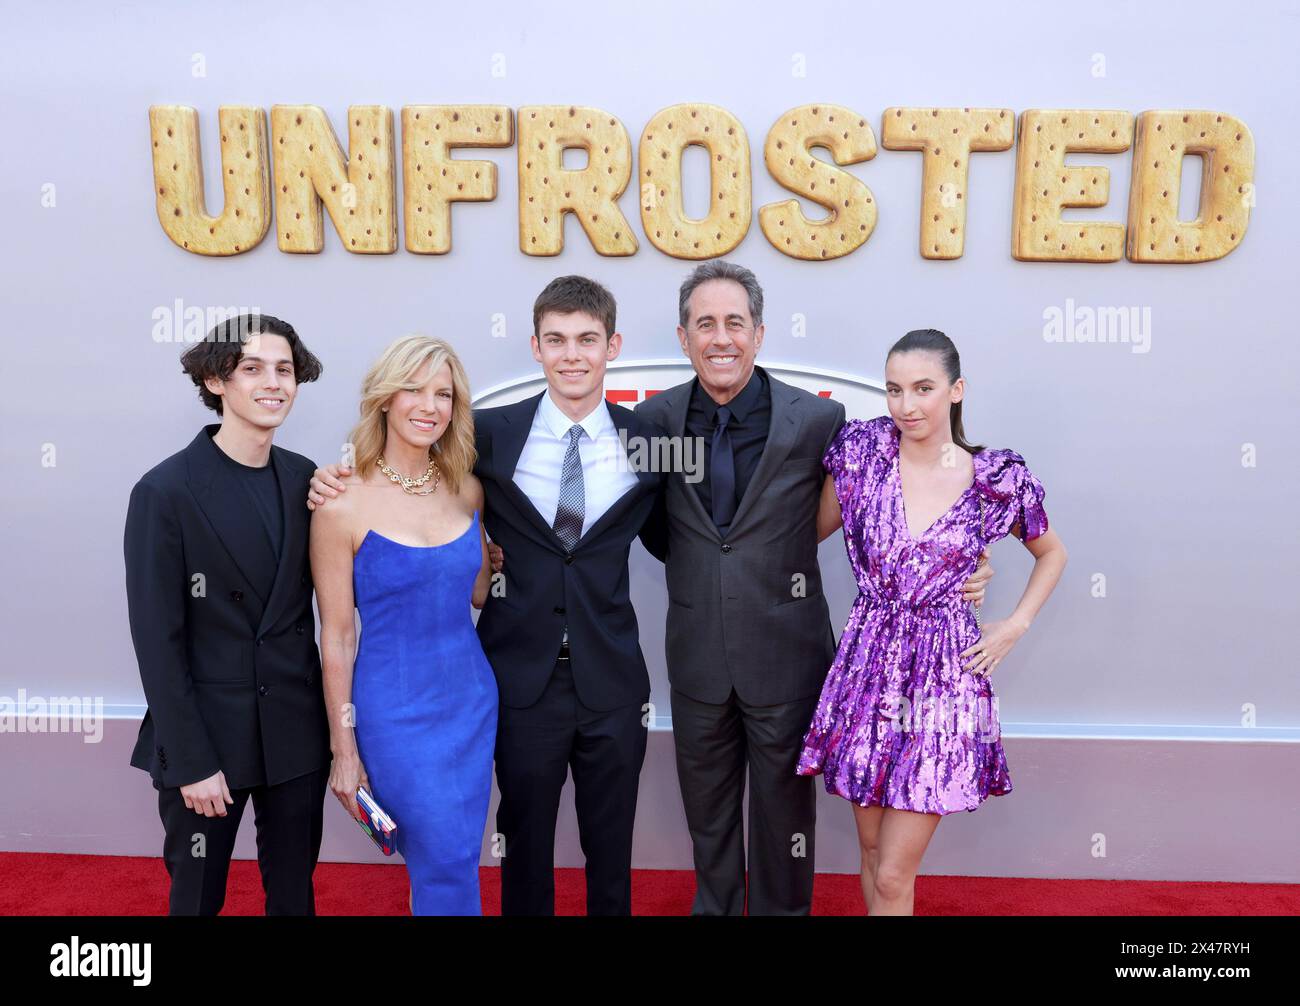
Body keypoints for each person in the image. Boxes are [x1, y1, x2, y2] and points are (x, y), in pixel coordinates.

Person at [633, 262, 996, 915]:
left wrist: (966, 562)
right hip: (696, 657)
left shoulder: (816, 424)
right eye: (705, 324)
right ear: (683, 337)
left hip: (788, 657)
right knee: (708, 824)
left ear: (760, 333)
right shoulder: (652, 425)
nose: (722, 338)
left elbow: (903, 494)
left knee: (784, 825)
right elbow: (641, 525)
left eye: (735, 323)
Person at [307, 277, 666, 915]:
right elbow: (403, 491)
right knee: (519, 848)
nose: (572, 354)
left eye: (588, 339)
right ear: (535, 346)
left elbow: (682, 538)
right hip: (516, 683)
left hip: (612, 681)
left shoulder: (649, 441)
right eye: (556, 339)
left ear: (614, 346)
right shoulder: (487, 441)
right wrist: (328, 479)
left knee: (611, 850)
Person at [797, 328, 1068, 916]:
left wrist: (1013, 624)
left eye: (923, 388)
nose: (906, 406)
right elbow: (808, 533)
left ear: (956, 390)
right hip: (867, 667)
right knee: (869, 851)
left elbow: (1053, 554)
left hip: (944, 679)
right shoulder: (861, 454)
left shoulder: (996, 478)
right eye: (894, 390)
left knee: (894, 873)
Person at [124, 313, 330, 915]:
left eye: (285, 369)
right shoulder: (165, 492)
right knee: (197, 901)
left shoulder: (306, 480)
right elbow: (156, 642)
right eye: (253, 368)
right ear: (216, 380)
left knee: (295, 898)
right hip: (206, 740)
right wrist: (191, 761)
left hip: (295, 735)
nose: (274, 383)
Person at [309, 335, 497, 916]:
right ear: (385, 398)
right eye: (414, 388)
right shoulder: (340, 502)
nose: (429, 404)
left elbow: (473, 595)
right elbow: (336, 635)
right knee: (441, 852)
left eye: (443, 393)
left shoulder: (467, 490)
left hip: (471, 701)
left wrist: (488, 559)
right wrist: (344, 749)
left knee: (455, 855)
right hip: (394, 710)